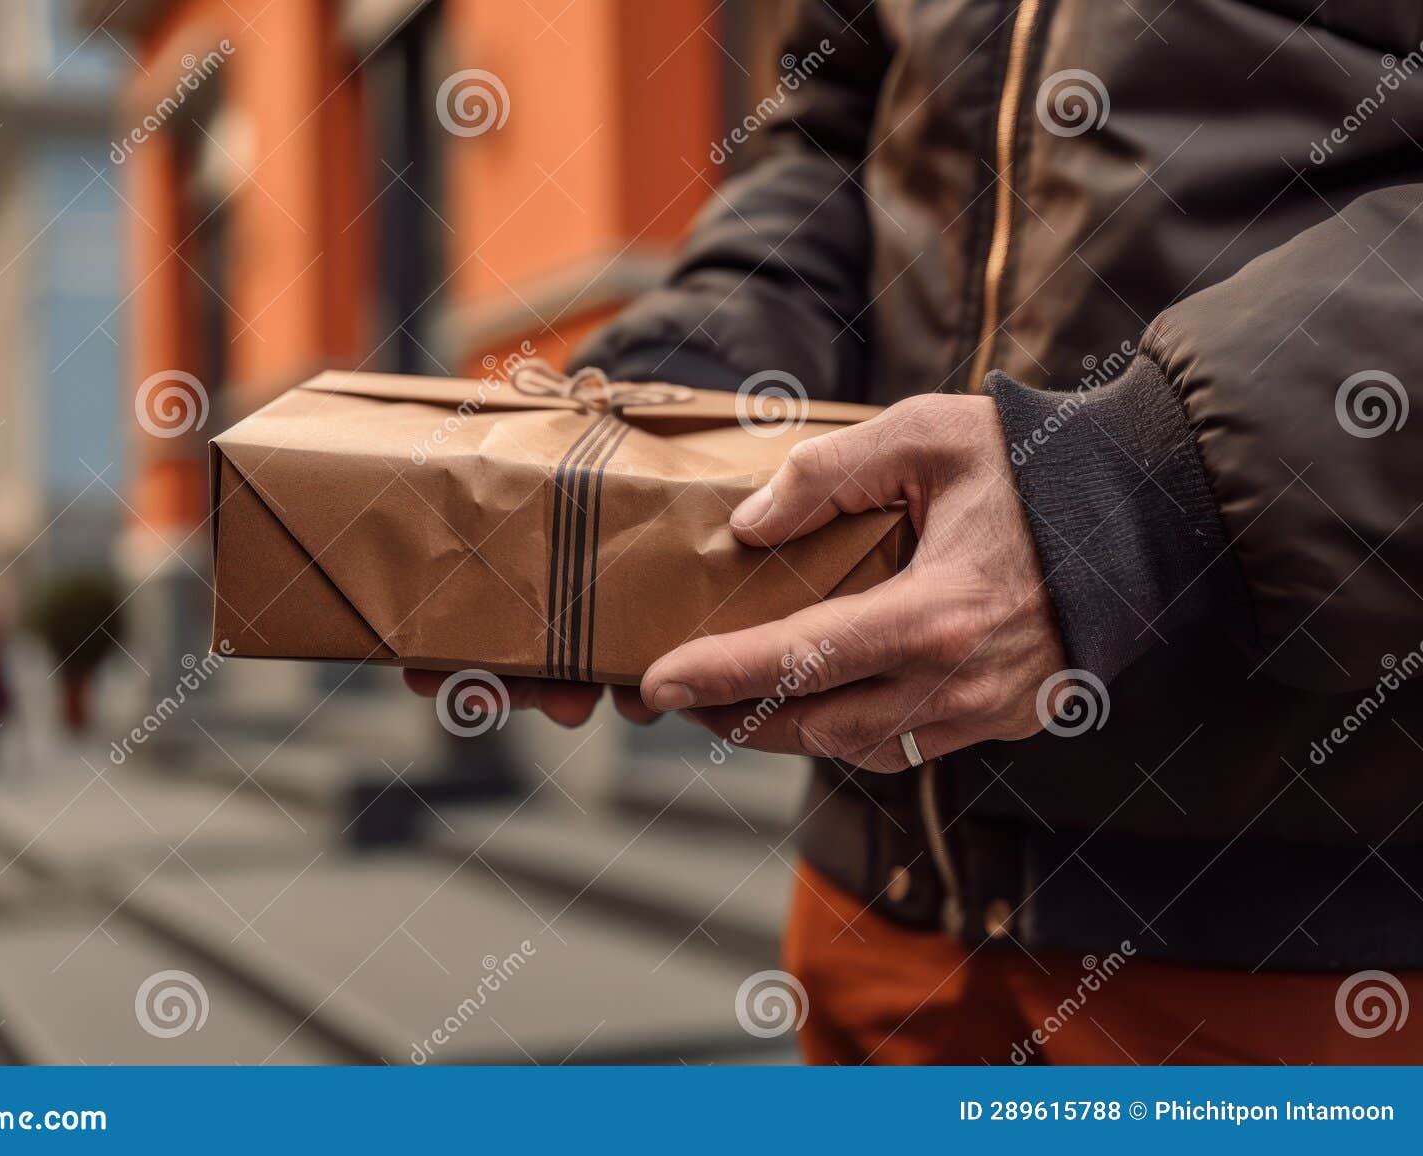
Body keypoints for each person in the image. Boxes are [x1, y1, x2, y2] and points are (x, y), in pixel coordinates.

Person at [410, 1, 1423, 1063]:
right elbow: (832, 135)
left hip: (1303, 944)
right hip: (876, 896)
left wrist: (1136, 494)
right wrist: (702, 373)